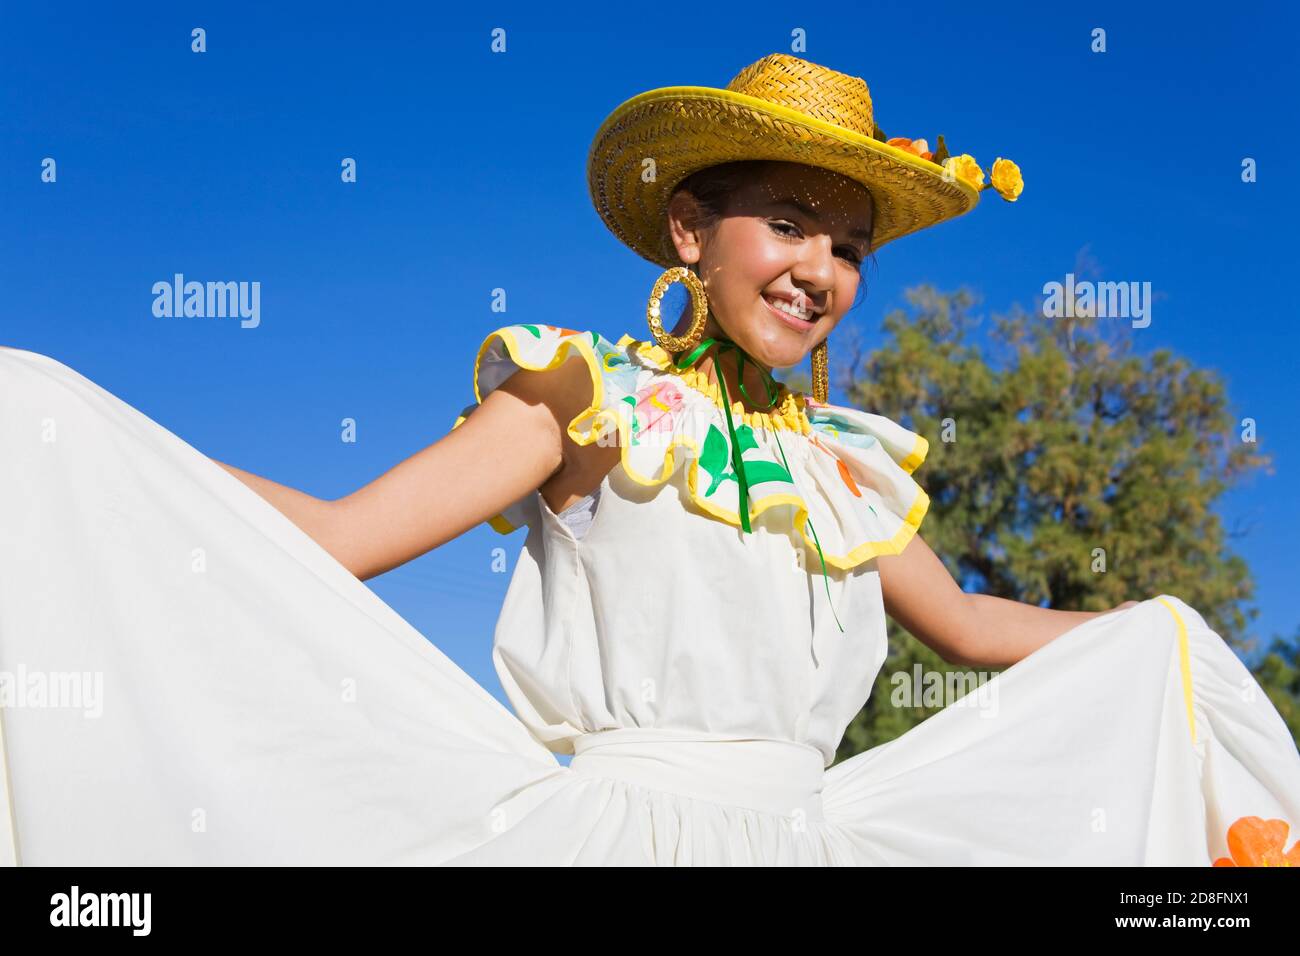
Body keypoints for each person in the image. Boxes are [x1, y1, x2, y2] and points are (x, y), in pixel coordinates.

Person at [1, 53, 1297, 866]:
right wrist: (86, 445)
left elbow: (962, 624)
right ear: (691, 229)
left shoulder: (842, 463)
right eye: (786, 222)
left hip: (818, 837)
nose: (821, 270)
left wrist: (1160, 630)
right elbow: (340, 540)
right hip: (621, 839)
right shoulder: (585, 391)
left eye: (849, 243)